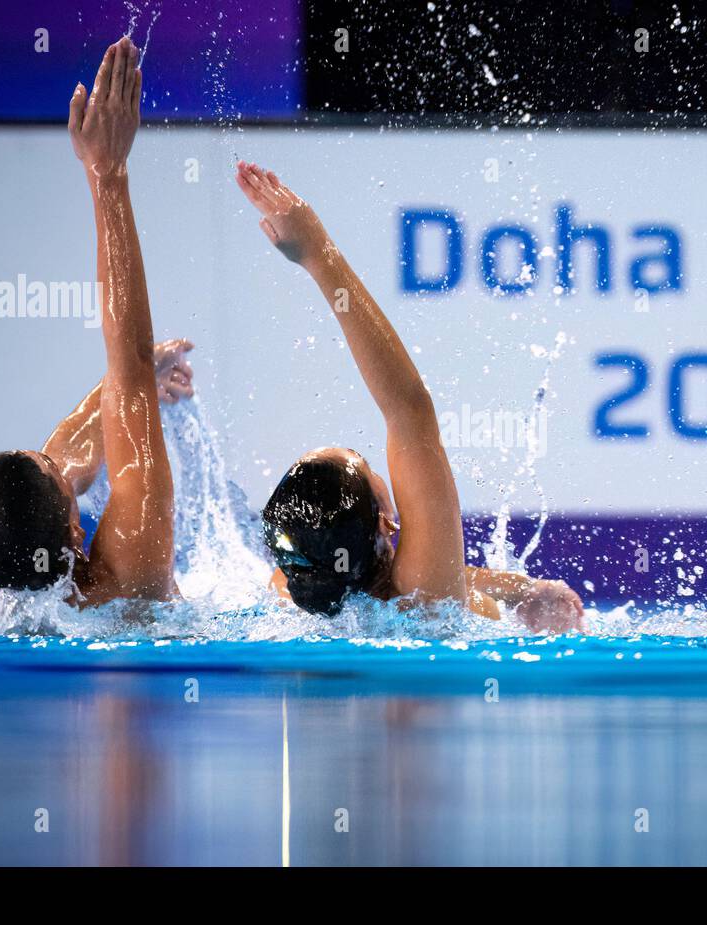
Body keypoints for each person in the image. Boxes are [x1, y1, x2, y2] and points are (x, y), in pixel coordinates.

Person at [234, 161, 585, 632]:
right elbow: (409, 410)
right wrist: (319, 252)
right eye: (369, 470)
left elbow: (385, 570)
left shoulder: (297, 583)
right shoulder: (426, 596)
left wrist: (522, 587)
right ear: (387, 522)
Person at [0, 36, 182, 607]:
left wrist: (114, 396)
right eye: (66, 490)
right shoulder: (134, 569)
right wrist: (107, 172)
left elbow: (63, 461)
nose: (62, 462)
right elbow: (131, 364)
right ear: (75, 530)